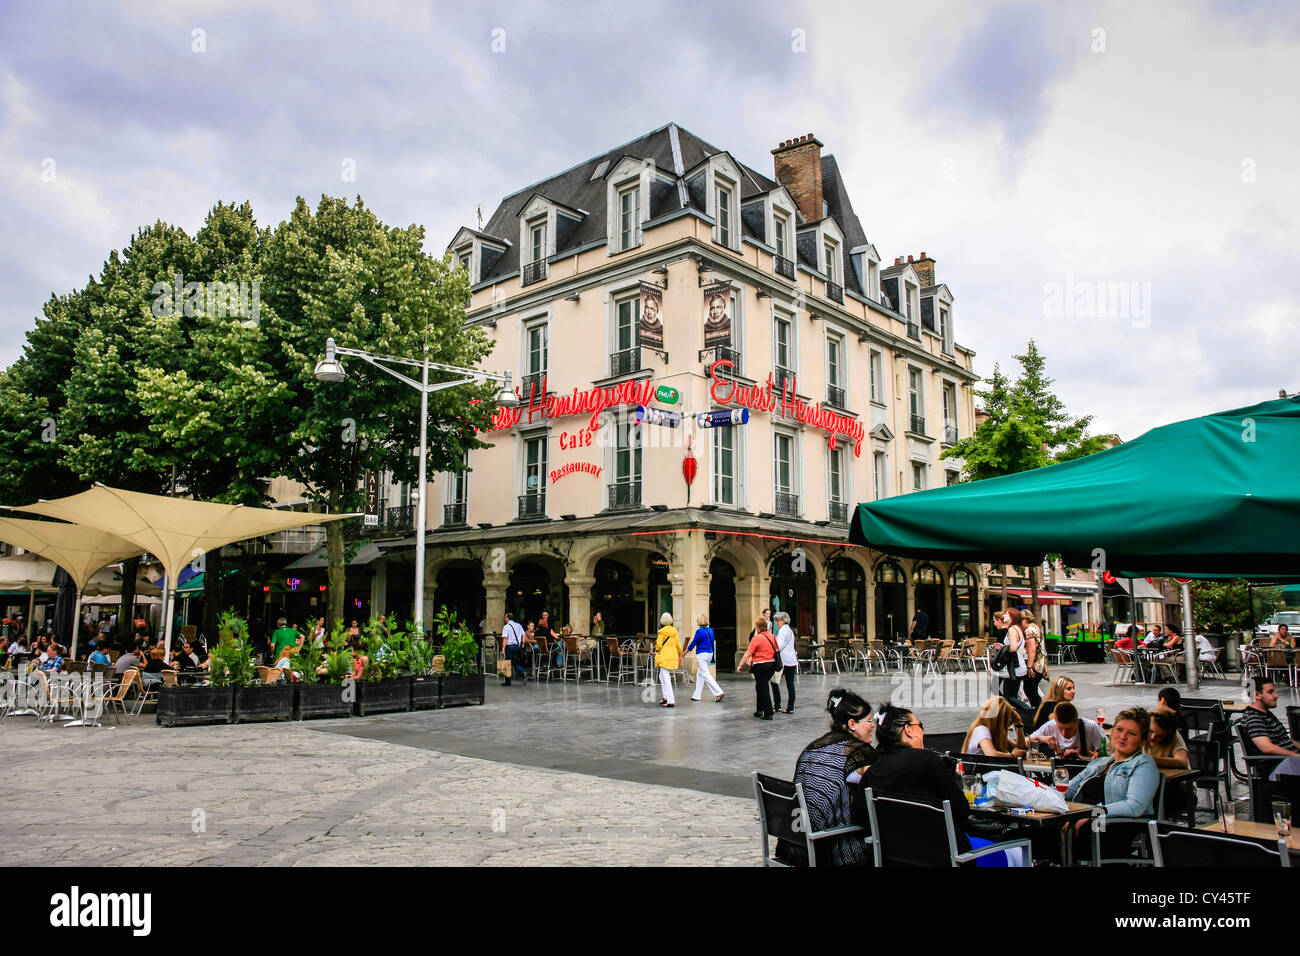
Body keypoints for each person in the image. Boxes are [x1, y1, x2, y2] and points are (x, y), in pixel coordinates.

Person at [860, 706, 1025, 866]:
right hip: (946, 855)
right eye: (920, 726)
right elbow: (961, 809)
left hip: (896, 857)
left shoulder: (873, 771)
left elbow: (859, 816)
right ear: (908, 730)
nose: (922, 732)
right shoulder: (927, 760)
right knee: (1018, 852)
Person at [785, 689, 877, 866]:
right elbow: (879, 783)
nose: (873, 725)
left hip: (794, 843)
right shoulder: (858, 751)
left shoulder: (813, 747)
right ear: (852, 724)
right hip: (834, 848)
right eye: (869, 721)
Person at [1066, 708, 1161, 853]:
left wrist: (1092, 813)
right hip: (1082, 822)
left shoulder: (1144, 763)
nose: (1123, 736)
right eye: (1119, 729)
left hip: (1109, 828)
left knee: (1044, 839)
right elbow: (1066, 788)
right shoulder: (1100, 763)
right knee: (1030, 832)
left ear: (1142, 740)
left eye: (1132, 733)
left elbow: (1134, 806)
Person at [1239, 678, 1300, 778]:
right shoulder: (1254, 718)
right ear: (1257, 695)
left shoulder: (1266, 714)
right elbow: (1267, 748)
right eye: (1270, 692)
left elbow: (1286, 740)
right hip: (1277, 769)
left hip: (1290, 763)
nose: (1276, 695)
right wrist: (1296, 756)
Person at [737, 616, 780, 720]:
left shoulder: (757, 638)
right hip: (771, 665)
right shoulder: (771, 636)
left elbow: (748, 653)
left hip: (761, 665)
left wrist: (740, 665)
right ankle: (759, 710)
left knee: (763, 688)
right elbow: (777, 649)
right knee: (760, 687)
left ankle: (768, 713)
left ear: (757, 627)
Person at [1029, 702, 1103, 759]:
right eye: (1060, 728)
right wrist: (1039, 738)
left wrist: (1092, 757)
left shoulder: (1091, 727)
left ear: (1077, 721)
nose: (1064, 734)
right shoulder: (1050, 726)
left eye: (1069, 729)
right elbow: (1026, 741)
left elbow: (1107, 753)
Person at [962, 696, 1027, 758]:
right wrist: (1012, 755)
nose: (1008, 725)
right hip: (978, 768)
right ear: (999, 719)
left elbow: (1020, 748)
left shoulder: (995, 731)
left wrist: (1019, 724)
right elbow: (991, 754)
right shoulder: (981, 730)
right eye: (1007, 721)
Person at [991, 610, 1027, 712]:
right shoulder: (1017, 629)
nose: (1004, 615)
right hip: (1017, 666)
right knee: (1011, 695)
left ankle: (1027, 711)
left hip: (1013, 667)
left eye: (1006, 614)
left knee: (1009, 696)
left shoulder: (1012, 629)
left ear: (1012, 617)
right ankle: (1017, 715)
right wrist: (1005, 646)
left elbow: (1013, 648)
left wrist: (1003, 648)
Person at [685, 612, 724, 702]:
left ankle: (718, 692)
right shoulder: (710, 630)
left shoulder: (699, 631)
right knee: (700, 674)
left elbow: (693, 643)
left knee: (705, 674)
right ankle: (697, 695)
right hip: (709, 654)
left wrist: (685, 652)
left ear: (699, 621)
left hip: (702, 654)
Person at [770, 611, 798, 714]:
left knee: (774, 681)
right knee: (790, 684)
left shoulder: (782, 631)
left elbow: (779, 646)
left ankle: (777, 705)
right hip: (791, 660)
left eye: (778, 620)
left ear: (783, 620)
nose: (777, 623)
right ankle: (791, 707)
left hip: (783, 661)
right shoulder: (790, 630)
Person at [654, 612, 682, 708]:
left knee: (665, 678)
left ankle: (670, 700)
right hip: (672, 656)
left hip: (664, 657)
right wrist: (681, 652)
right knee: (662, 676)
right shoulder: (674, 631)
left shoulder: (661, 632)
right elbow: (678, 644)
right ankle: (666, 697)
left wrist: (657, 650)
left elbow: (659, 645)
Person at [1020, 609, 1045, 710]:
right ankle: (1039, 711)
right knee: (1032, 689)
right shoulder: (1035, 627)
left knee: (1030, 690)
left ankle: (1038, 712)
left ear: (1024, 619)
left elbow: (1032, 649)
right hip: (1040, 663)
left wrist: (1029, 666)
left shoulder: (1029, 631)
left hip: (1034, 664)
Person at [499, 611, 528, 686]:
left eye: (505, 617)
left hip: (509, 647)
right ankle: (523, 673)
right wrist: (523, 644)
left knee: (507, 663)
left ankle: (508, 682)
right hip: (517, 646)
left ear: (507, 618)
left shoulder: (506, 627)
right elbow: (524, 635)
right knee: (515, 663)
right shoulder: (519, 625)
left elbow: (505, 639)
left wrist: (503, 649)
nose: (504, 618)